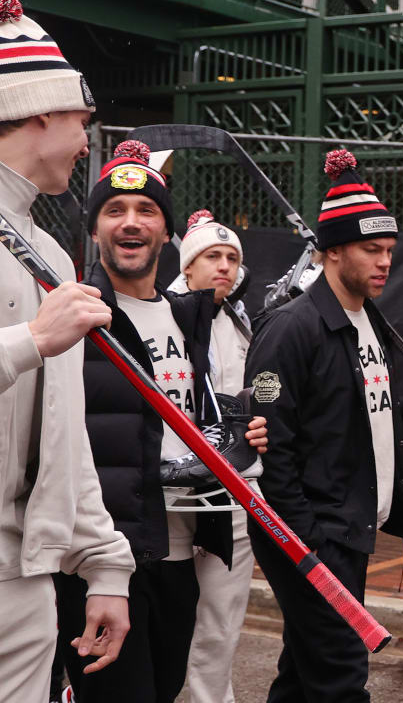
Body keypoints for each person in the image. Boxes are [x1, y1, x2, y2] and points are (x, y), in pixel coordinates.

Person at [54, 140, 268, 703]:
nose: (131, 222)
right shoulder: (71, 317)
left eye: (147, 210)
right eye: (115, 210)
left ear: (166, 231)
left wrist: (240, 436)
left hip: (182, 552)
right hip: (102, 561)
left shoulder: (188, 317)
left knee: (168, 687)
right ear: (95, 228)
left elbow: (199, 422)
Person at [244, 149, 403, 702]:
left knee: (306, 672)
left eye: (389, 250)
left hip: (351, 529)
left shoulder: (370, 321)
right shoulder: (292, 329)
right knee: (340, 677)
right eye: (371, 250)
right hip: (315, 538)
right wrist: (306, 540)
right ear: (332, 251)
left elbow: (368, 424)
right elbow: (271, 448)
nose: (385, 262)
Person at [0, 0, 136, 701]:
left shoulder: (50, 251)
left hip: (25, 580)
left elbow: (66, 432)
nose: (89, 141)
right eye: (83, 121)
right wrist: (29, 340)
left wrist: (104, 563)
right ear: (42, 112)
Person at [168, 210, 256, 703]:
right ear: (187, 266)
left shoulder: (244, 326)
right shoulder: (165, 317)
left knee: (222, 618)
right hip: (174, 495)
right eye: (211, 256)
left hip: (236, 493)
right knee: (167, 616)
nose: (224, 266)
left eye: (231, 258)